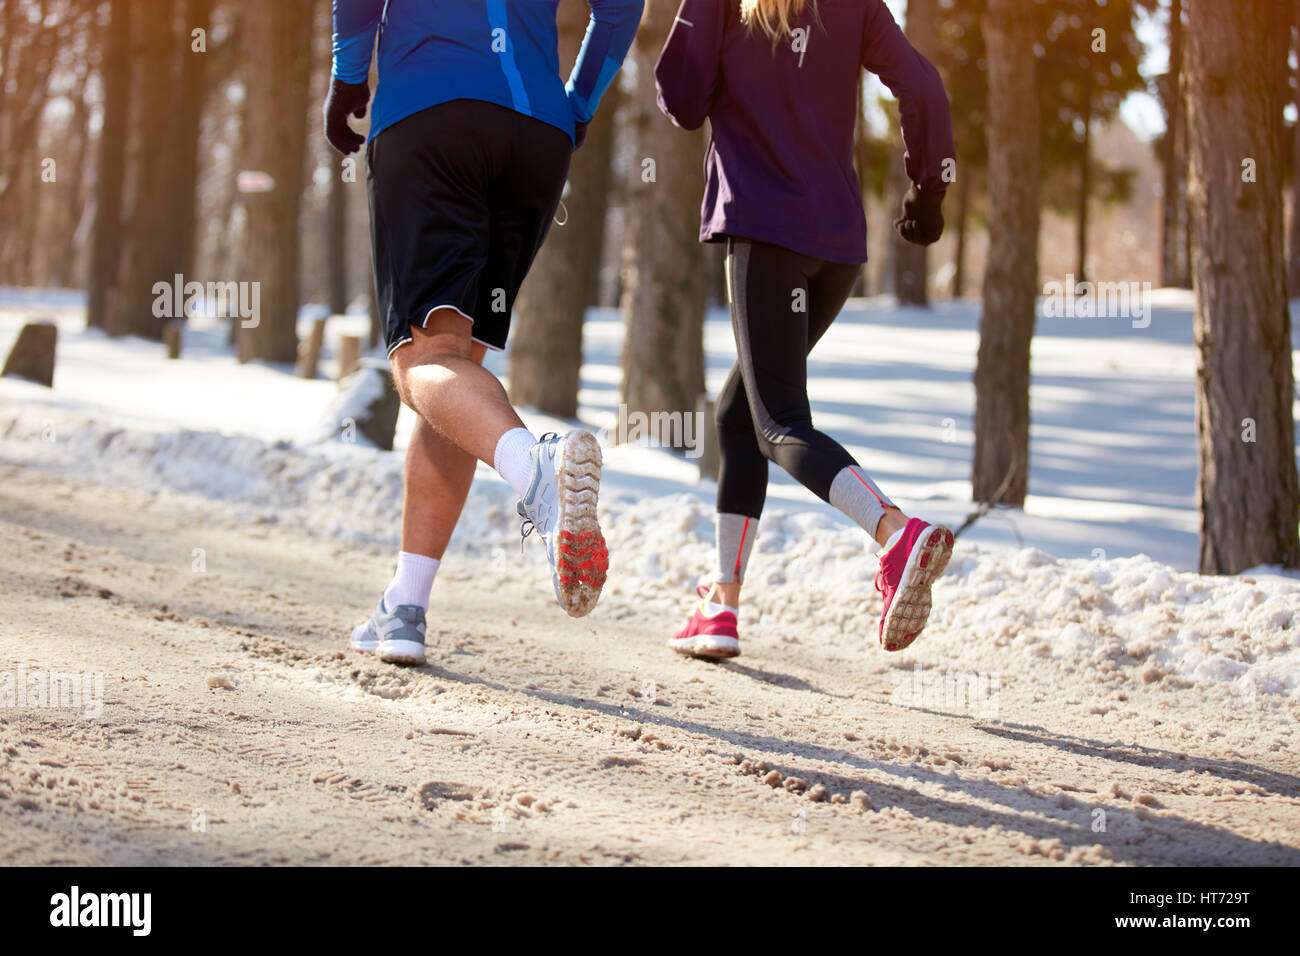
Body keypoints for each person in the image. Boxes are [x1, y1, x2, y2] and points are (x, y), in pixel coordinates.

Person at [325, 0, 643, 666]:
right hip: (534, 131)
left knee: (424, 364)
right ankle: (405, 608)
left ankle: (541, 470)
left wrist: (348, 78)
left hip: (430, 110)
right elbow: (620, 7)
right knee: (457, 373)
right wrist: (577, 102)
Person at [655, 0, 956, 660]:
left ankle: (894, 533)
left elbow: (680, 99)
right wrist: (928, 185)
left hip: (766, 233)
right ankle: (720, 606)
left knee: (777, 422)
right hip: (836, 247)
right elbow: (923, 84)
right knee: (740, 413)